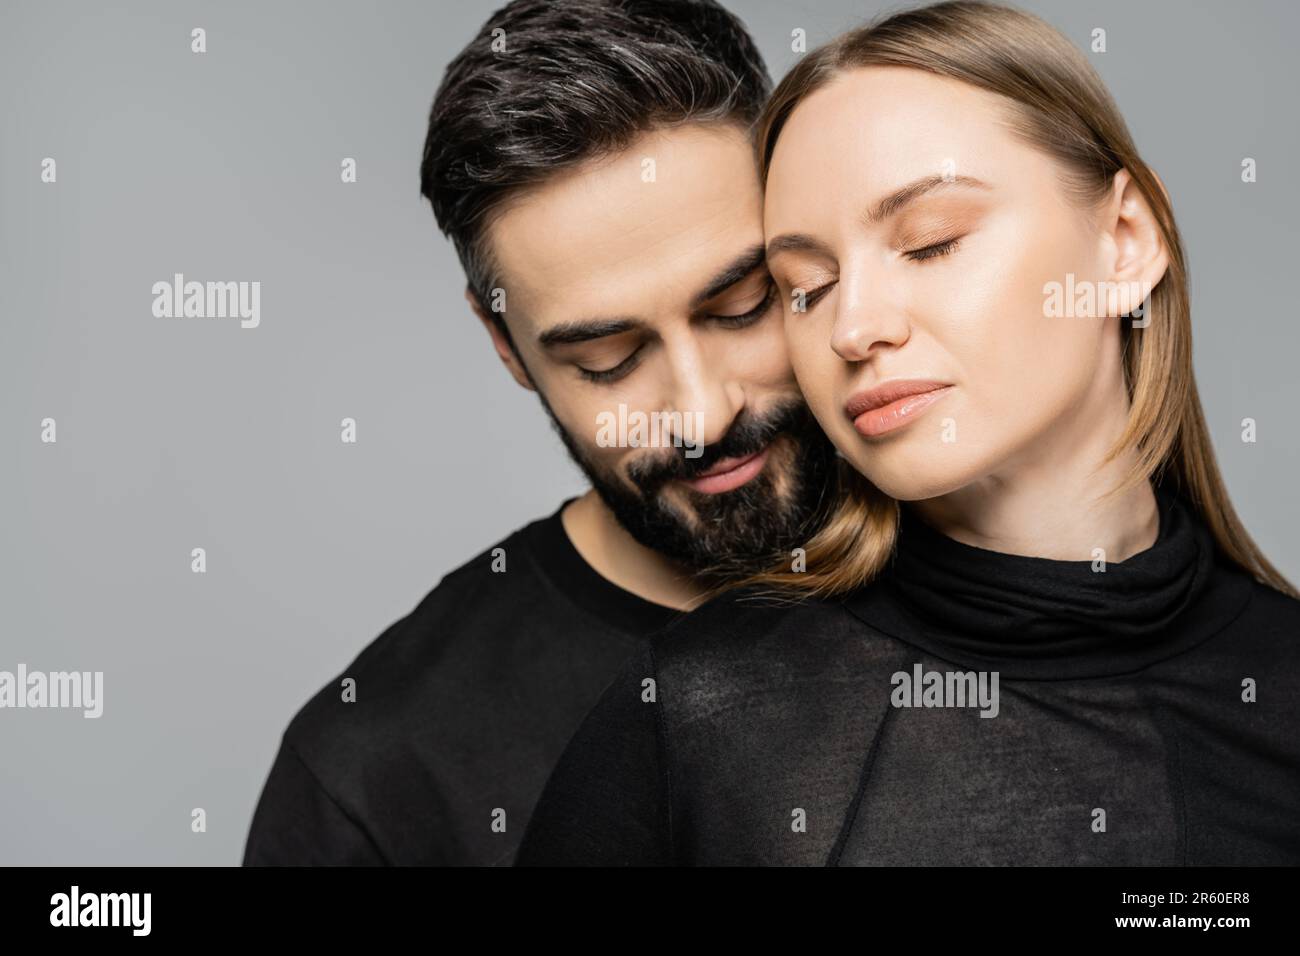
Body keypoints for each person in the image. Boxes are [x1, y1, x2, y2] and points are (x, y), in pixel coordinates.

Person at [515, 0, 1300, 866]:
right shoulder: (701, 716)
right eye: (804, 287)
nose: (854, 328)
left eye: (928, 244)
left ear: (1122, 242)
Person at [243, 0, 836, 866]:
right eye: (609, 358)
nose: (704, 414)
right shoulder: (374, 778)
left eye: (744, 307)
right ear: (506, 347)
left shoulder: (1018, 540)